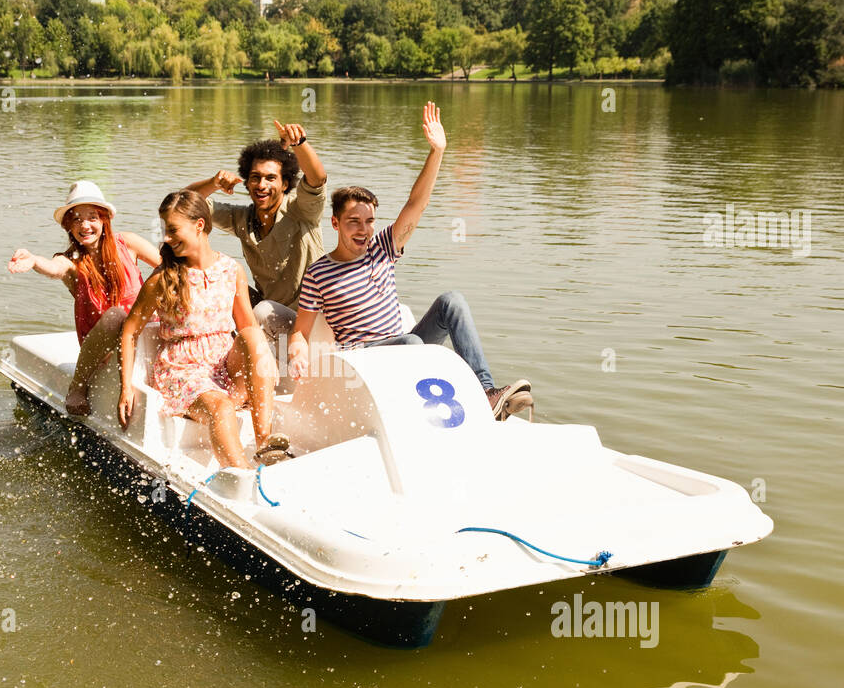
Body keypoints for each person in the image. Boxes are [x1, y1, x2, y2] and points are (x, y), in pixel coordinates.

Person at [286, 102, 534, 421]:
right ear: (335, 224)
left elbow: (416, 203)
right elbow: (300, 331)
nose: (363, 230)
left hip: (402, 345)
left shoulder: (384, 247)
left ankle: (487, 395)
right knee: (411, 340)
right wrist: (296, 351)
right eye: (353, 222)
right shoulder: (318, 273)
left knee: (452, 302)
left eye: (369, 221)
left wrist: (437, 152)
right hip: (360, 362)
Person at [118, 190, 289, 468]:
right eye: (165, 230)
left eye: (173, 230)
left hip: (223, 366)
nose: (166, 238)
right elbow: (129, 330)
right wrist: (126, 387)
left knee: (253, 335)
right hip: (182, 372)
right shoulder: (163, 278)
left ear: (199, 225)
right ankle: (241, 476)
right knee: (221, 406)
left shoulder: (231, 270)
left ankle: (264, 445)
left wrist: (265, 361)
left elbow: (246, 326)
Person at [8, 180, 162, 416]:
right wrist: (34, 260)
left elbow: (168, 267)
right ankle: (77, 387)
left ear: (104, 220)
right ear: (69, 226)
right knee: (116, 315)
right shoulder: (72, 261)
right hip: (103, 346)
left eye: (92, 217)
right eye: (77, 219)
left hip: (142, 333)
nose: (85, 225)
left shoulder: (127, 243)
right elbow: (53, 267)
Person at [185, 119, 327, 350]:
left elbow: (317, 179)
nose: (262, 185)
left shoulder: (301, 211)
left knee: (261, 310)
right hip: (270, 316)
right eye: (255, 177)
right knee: (219, 282)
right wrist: (213, 183)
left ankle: (263, 369)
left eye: (271, 178)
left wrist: (299, 143)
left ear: (285, 184)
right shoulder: (242, 218)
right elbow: (183, 205)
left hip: (310, 322)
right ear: (247, 182)